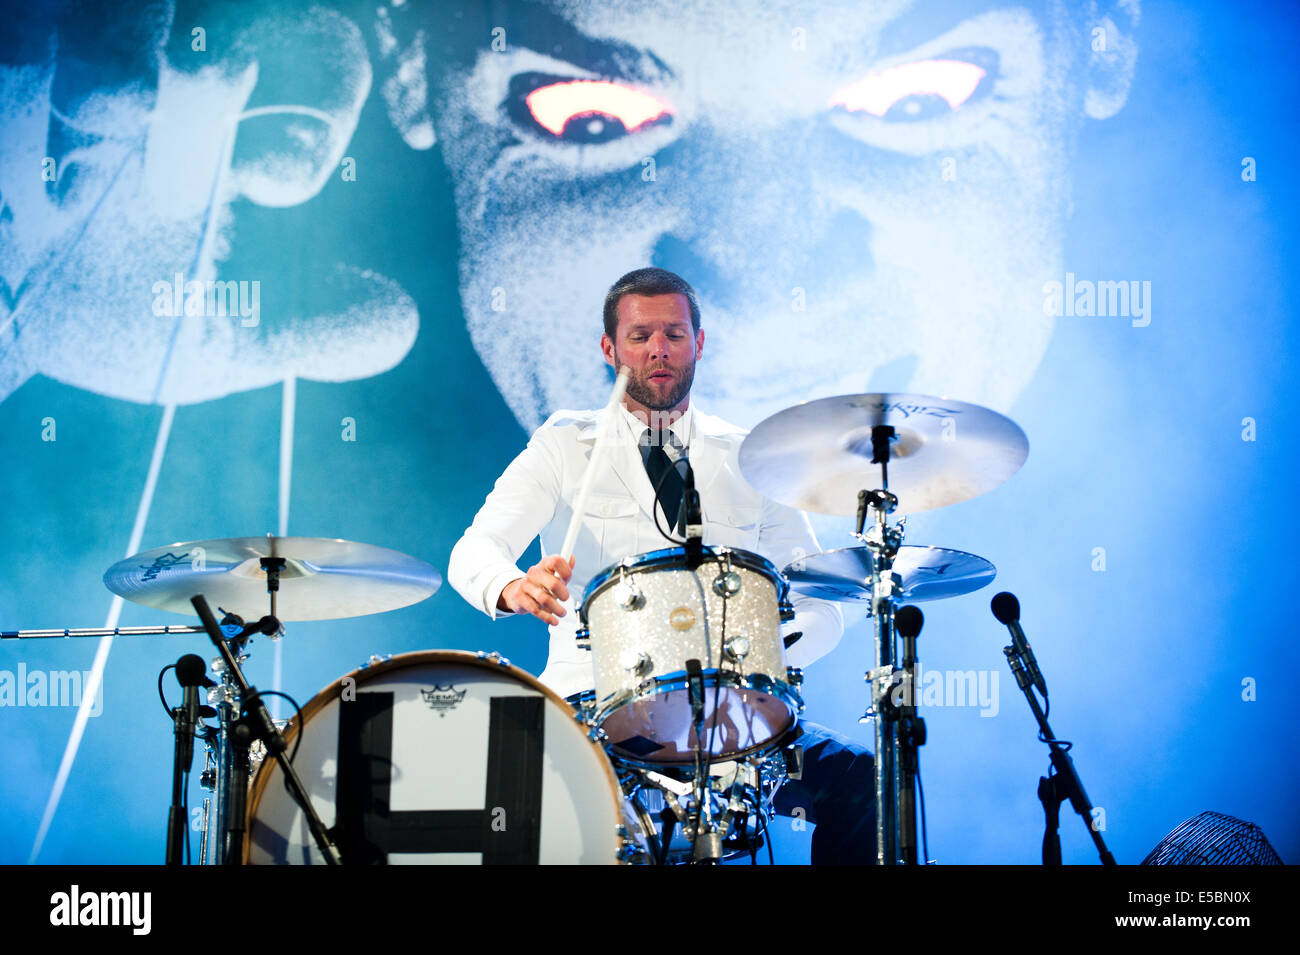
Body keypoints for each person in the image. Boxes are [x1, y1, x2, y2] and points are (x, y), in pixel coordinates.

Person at [448, 267, 876, 864]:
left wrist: (767, 651)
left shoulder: (749, 456)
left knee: (861, 779)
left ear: (700, 343)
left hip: (730, 716)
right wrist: (514, 585)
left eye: (674, 334)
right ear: (609, 349)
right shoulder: (565, 444)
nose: (658, 350)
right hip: (590, 704)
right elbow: (473, 551)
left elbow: (819, 592)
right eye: (639, 335)